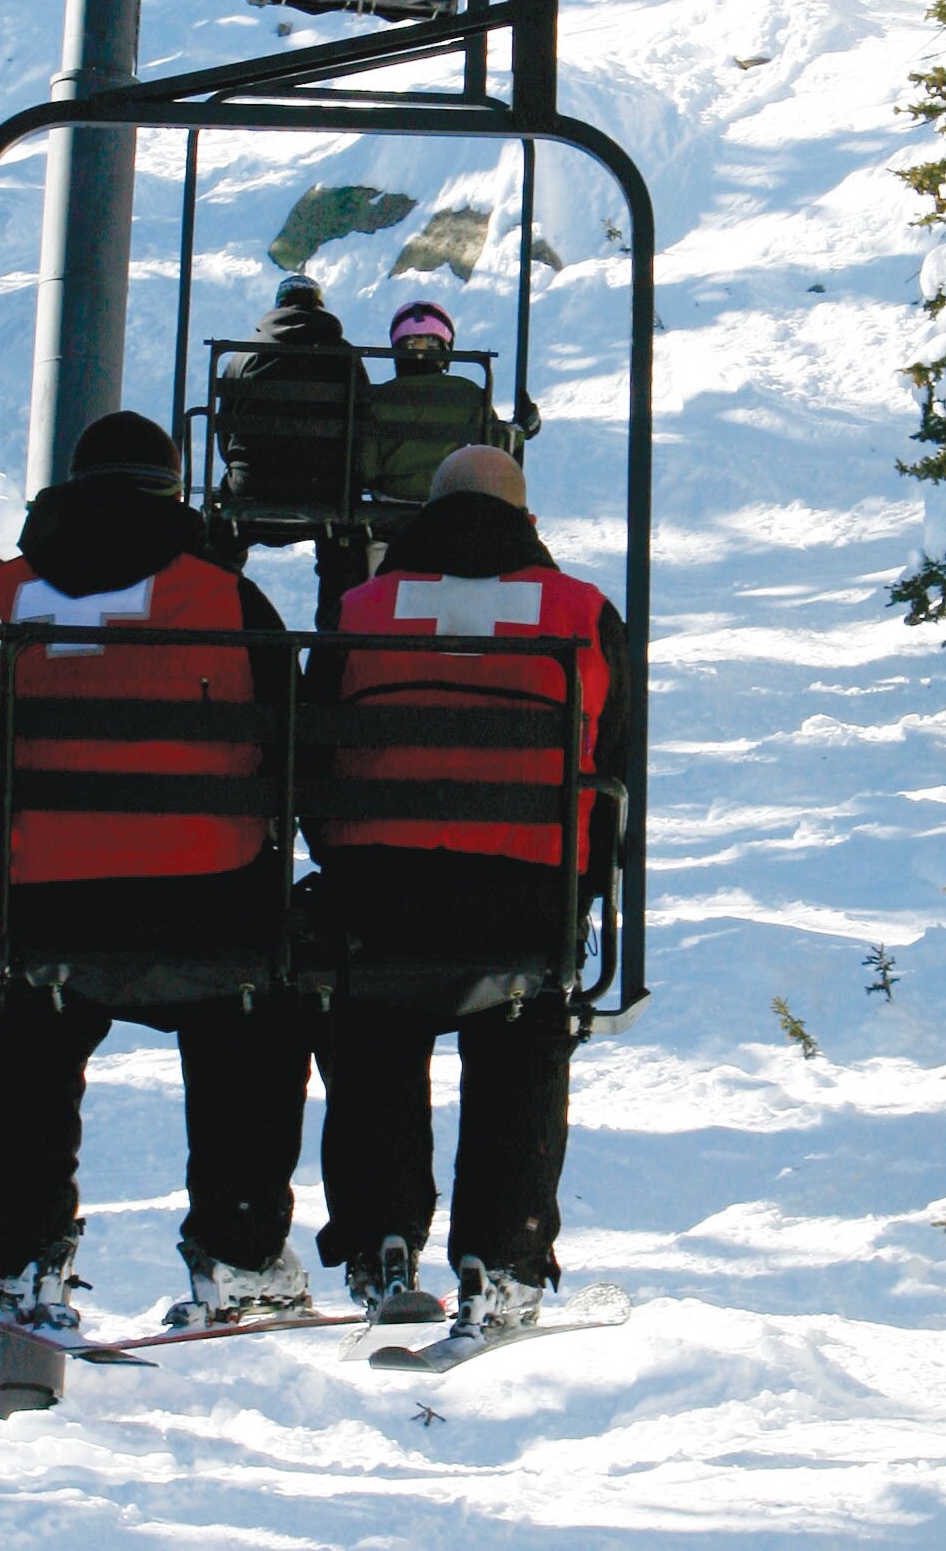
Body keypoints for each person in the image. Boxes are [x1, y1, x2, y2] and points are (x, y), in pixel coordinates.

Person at [0, 410, 313, 1332]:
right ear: (174, 496)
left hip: (33, 907)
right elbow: (294, 749)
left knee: (17, 1012)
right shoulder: (224, 601)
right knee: (257, 1008)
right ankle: (240, 1248)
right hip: (207, 907)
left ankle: (17, 1248)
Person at [302, 443, 627, 1339]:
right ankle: (504, 1251)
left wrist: (347, 854)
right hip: (523, 895)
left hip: (380, 894)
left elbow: (311, 757)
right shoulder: (582, 612)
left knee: (372, 1020)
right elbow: (611, 768)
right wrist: (580, 893)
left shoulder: (362, 608)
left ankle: (381, 1239)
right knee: (522, 1022)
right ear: (526, 521)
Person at [210, 272, 366, 625]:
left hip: (251, 489)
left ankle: (226, 619)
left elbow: (225, 439)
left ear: (278, 306)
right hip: (327, 494)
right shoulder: (345, 357)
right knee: (343, 547)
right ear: (320, 306)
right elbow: (361, 430)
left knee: (219, 537)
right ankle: (333, 637)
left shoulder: (244, 356)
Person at [356, 299, 521, 512]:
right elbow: (495, 445)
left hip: (392, 500)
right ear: (445, 349)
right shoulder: (468, 393)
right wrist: (523, 430)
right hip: (447, 500)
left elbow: (366, 468)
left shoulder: (378, 398)